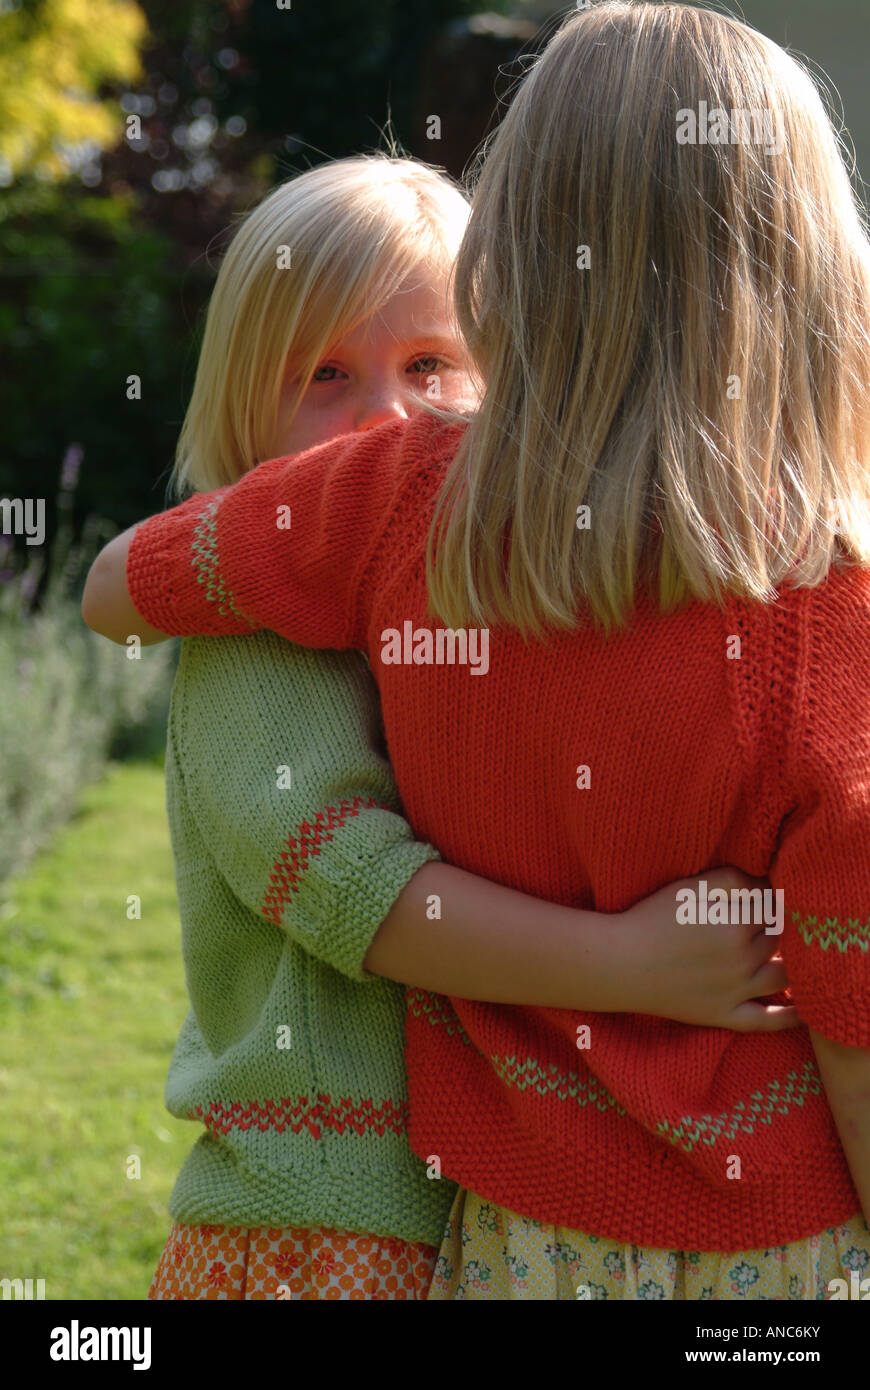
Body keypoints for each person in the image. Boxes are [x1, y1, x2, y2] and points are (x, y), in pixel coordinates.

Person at [83, 3, 870, 1301]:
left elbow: (119, 583)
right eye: (322, 374)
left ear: (504, 262)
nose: (377, 411)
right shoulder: (825, 617)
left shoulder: (391, 504)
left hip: (503, 1231)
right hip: (745, 1233)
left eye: (425, 362)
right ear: (813, 269)